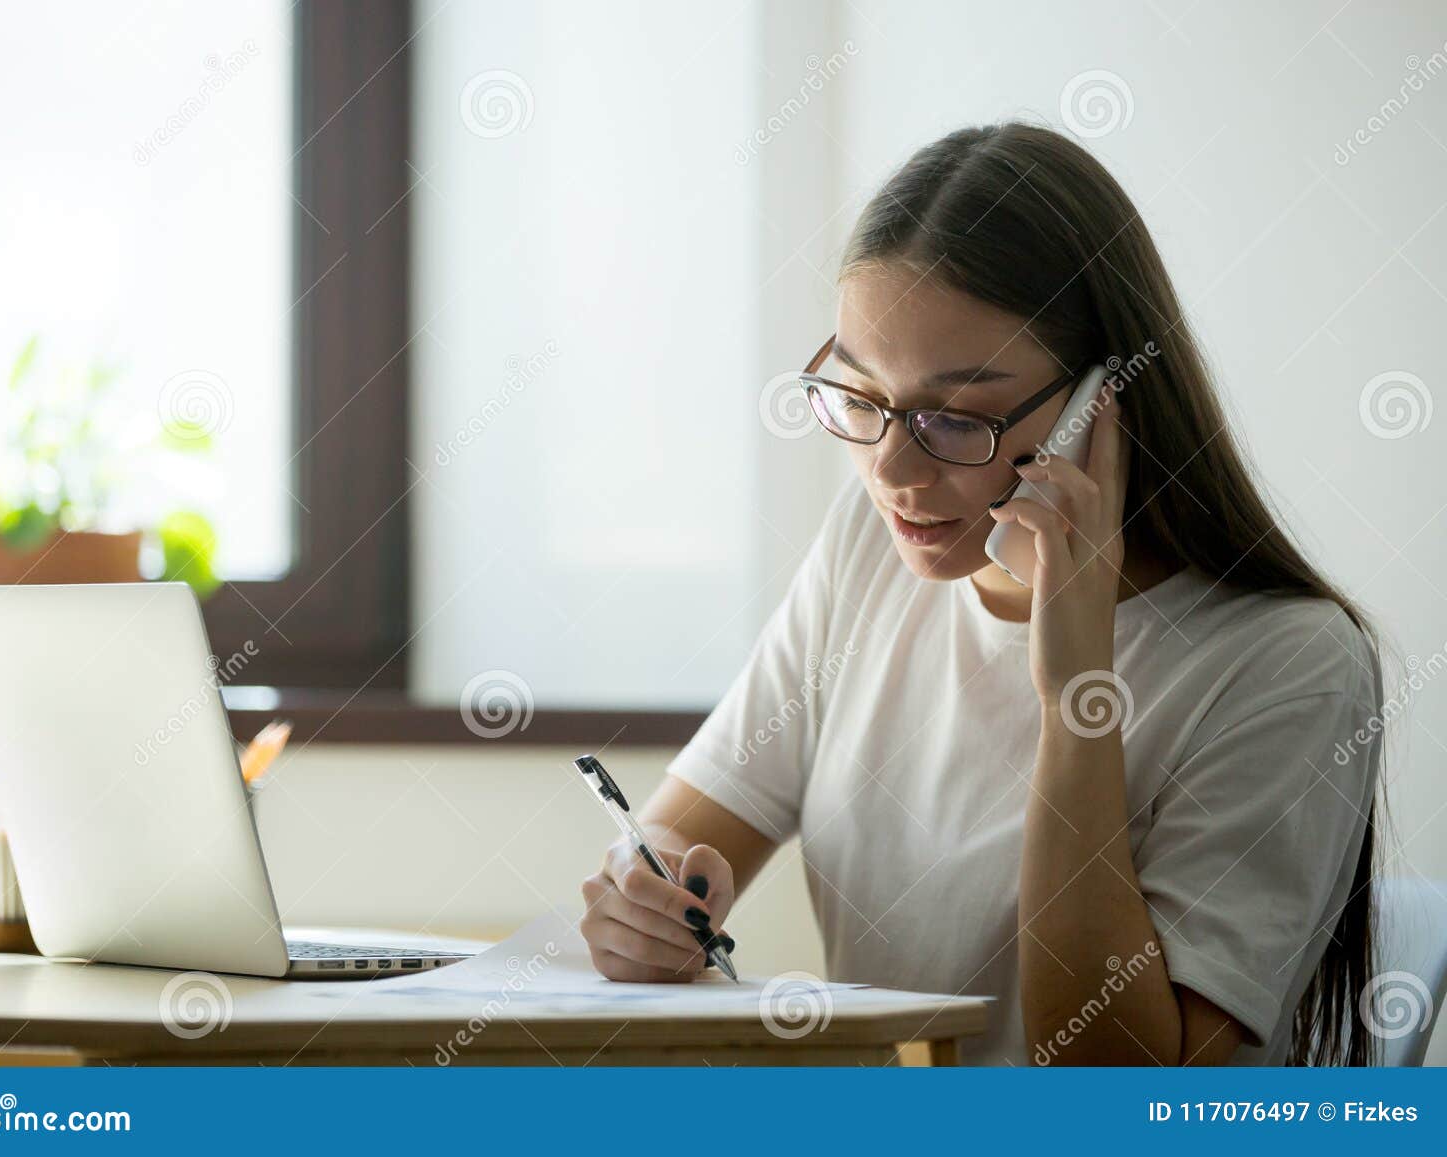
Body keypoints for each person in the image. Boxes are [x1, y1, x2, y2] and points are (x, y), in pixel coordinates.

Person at [578, 121, 1388, 1066]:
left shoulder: (1289, 665)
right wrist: (649, 903)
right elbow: (681, 837)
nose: (891, 473)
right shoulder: (870, 551)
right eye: (860, 396)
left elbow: (1113, 1095)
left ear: (1101, 402)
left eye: (954, 418)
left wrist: (1076, 694)